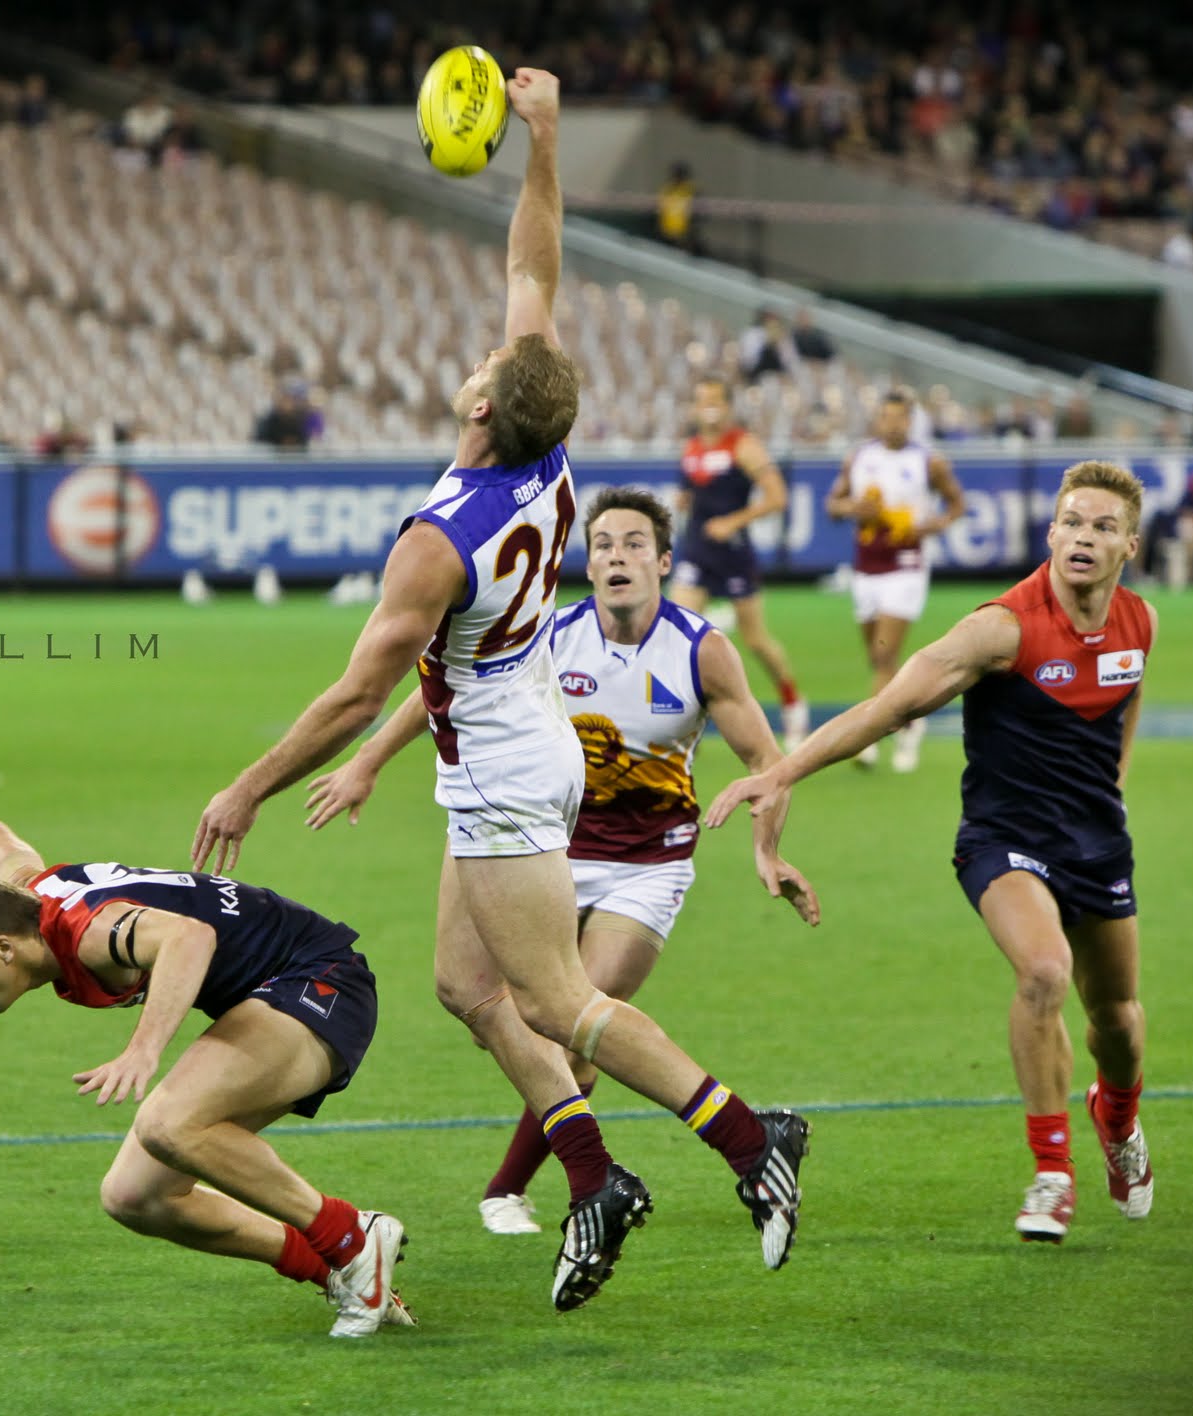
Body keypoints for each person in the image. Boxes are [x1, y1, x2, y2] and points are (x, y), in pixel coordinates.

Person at [191, 69, 813, 1313]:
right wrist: (544, 139)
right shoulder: (547, 451)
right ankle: (594, 1177)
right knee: (465, 988)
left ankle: (752, 1140)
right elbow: (537, 271)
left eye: (483, 359)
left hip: (509, 757)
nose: (485, 349)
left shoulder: (437, 538)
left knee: (554, 999)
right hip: (516, 728)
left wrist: (251, 785)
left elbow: (352, 695)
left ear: (480, 401)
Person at [302, 485, 820, 1236]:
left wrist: (768, 850)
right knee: (495, 1001)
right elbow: (447, 683)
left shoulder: (702, 649)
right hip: (554, 844)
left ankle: (523, 1185)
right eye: (603, 543)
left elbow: (767, 761)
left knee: (574, 1018)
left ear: (665, 562)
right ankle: (603, 1172)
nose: (617, 556)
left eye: (634, 543)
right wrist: (370, 758)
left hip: (650, 865)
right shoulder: (551, 635)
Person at [707, 460, 1157, 1245]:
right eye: (1073, 522)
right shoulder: (1000, 630)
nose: (1084, 537)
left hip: (1095, 844)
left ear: (1129, 545)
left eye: (1103, 527)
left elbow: (1125, 704)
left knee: (1115, 1018)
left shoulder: (1138, 624)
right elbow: (888, 709)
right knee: (1045, 972)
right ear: (1051, 532)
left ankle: (1115, 1119)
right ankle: (1052, 1172)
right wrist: (781, 773)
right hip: (1004, 840)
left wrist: (1109, 794)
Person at [0, 815, 414, 1339]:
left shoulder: (85, 932)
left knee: (169, 1123)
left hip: (321, 983)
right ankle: (339, 1267)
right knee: (136, 1197)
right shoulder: (22, 892)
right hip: (270, 993)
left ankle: (355, 1236)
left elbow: (188, 938)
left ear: (3, 949)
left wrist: (143, 1049)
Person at [825, 390, 965, 771]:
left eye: (900, 417)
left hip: (906, 565)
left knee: (885, 657)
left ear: (910, 420)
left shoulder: (927, 462)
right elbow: (832, 504)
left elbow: (957, 503)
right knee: (878, 657)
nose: (893, 424)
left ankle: (867, 742)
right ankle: (911, 722)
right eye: (886, 417)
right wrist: (852, 507)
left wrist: (936, 523)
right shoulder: (861, 457)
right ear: (878, 419)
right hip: (867, 566)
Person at [671, 375, 809, 746]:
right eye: (703, 399)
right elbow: (689, 491)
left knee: (756, 640)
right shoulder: (693, 447)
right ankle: (686, 723)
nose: (709, 407)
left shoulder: (743, 447)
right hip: (698, 551)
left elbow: (777, 497)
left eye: (715, 399)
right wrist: (681, 502)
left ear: (728, 405)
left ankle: (793, 702)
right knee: (679, 633)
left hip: (733, 553)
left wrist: (735, 520)